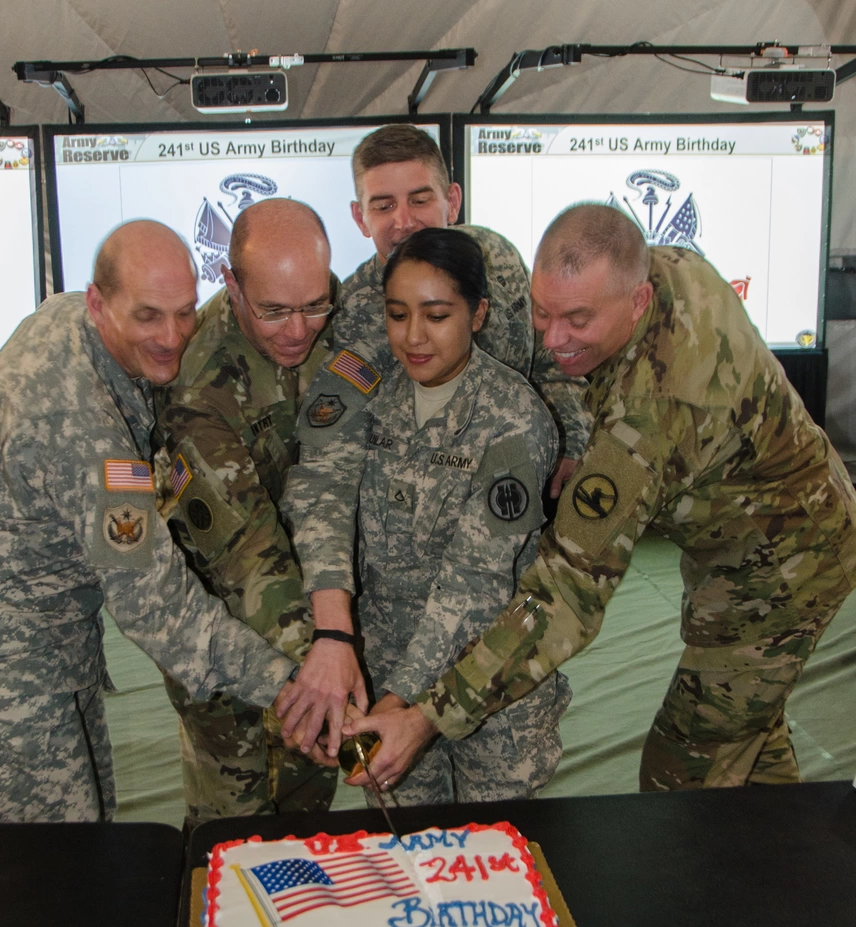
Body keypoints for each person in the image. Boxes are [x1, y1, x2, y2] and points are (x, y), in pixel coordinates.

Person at [342, 204, 856, 794]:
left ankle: (716, 879)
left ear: (636, 302)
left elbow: (567, 595)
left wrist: (429, 715)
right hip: (746, 535)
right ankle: (784, 861)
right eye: (542, 311)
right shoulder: (664, 267)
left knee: (685, 769)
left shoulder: (651, 420)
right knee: (748, 738)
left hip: (787, 564)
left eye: (578, 320)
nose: (554, 339)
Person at [0, 220, 313, 824]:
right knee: (34, 859)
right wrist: (287, 686)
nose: (172, 337)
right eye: (148, 317)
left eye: (184, 312)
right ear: (99, 302)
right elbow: (155, 605)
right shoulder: (83, 428)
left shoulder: (75, 320)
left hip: (47, 630)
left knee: (82, 833)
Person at [278, 124, 590, 753]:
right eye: (382, 205)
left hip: (494, 566)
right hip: (400, 583)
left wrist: (569, 434)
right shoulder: (357, 309)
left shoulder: (495, 266)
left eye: (419, 199)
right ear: (359, 217)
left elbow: (548, 355)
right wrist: (336, 629)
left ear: (452, 199)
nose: (404, 222)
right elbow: (329, 460)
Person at [293, 227, 569, 802]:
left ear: (479, 313)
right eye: (397, 315)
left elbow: (475, 582)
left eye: (437, 315)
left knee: (491, 862)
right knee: (405, 864)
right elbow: (322, 485)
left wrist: (399, 704)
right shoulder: (371, 391)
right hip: (387, 666)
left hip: (490, 686)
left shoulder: (514, 421)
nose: (413, 337)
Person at [154, 199, 347, 825]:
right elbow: (245, 555)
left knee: (308, 792)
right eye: (273, 311)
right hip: (222, 624)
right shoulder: (198, 383)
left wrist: (332, 648)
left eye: (314, 304)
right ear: (231, 283)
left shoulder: (338, 318)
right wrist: (325, 662)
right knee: (232, 821)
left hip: (315, 607)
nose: (298, 329)